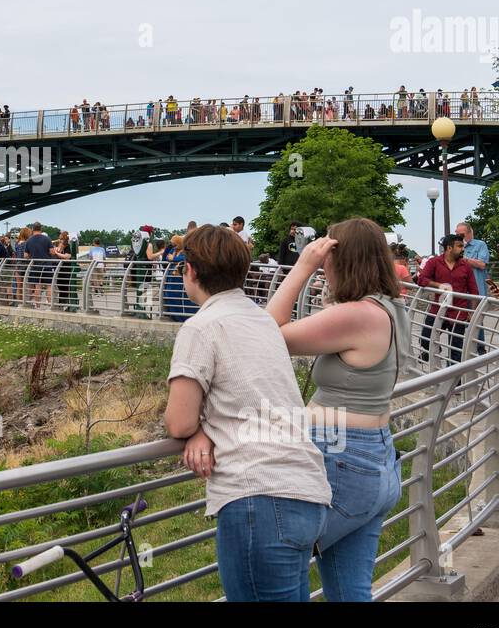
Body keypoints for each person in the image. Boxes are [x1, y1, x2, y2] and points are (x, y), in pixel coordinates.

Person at [164, 225, 331, 602]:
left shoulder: (200, 328)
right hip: (307, 493)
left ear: (190, 270)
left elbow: (178, 421)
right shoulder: (262, 322)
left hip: (258, 500)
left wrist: (199, 428)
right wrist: (206, 426)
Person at [266, 218, 407, 601]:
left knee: (273, 566)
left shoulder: (356, 315)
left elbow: (268, 333)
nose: (323, 263)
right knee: (349, 593)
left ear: (342, 260)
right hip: (373, 460)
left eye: (328, 255)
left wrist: (302, 266)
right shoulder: (390, 307)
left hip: (343, 463)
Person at [415, 234, 478, 365]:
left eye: (463, 246)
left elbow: (474, 291)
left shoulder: (466, 266)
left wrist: (472, 312)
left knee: (456, 350)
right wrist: (438, 285)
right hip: (438, 309)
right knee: (425, 339)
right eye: (459, 246)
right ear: (449, 248)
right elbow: (421, 279)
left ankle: (455, 383)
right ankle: (432, 350)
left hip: (459, 313)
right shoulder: (434, 262)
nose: (463, 249)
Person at [457, 222, 490, 357]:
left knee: (477, 318)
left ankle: (480, 347)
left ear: (469, 233)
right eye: (457, 234)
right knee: (461, 317)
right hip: (461, 289)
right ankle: (465, 346)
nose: (458, 236)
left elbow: (482, 264)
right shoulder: (455, 246)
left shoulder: (480, 245)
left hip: (476, 288)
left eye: (461, 234)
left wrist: (464, 259)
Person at [23, 222, 55, 307]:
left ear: (33, 229)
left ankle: (37, 306)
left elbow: (25, 255)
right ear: (41, 229)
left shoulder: (29, 240)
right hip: (47, 266)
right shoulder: (47, 239)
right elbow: (52, 252)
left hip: (35, 266)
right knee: (49, 286)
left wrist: (32, 255)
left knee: (37, 286)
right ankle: (50, 305)